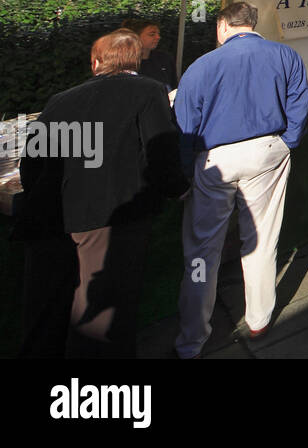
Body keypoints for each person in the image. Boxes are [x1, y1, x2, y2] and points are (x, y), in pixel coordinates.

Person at [17, 29, 188, 358]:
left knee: (50, 308)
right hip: (112, 217)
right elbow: (161, 153)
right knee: (103, 312)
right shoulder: (149, 90)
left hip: (54, 217)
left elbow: (32, 165)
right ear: (136, 61)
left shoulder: (60, 99)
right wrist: (178, 189)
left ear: (96, 63)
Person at [173, 2, 308, 358]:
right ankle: (259, 318)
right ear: (252, 23)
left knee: (202, 250)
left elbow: (184, 127)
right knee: (262, 239)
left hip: (215, 160)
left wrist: (186, 173)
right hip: (266, 151)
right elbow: (299, 105)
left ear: (222, 26)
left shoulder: (201, 66)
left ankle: (192, 337)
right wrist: (287, 143)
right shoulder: (285, 55)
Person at [122, 18, 177, 92]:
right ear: (135, 37)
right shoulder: (124, 62)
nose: (158, 37)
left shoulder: (164, 59)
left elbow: (174, 86)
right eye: (152, 34)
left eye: (158, 34)